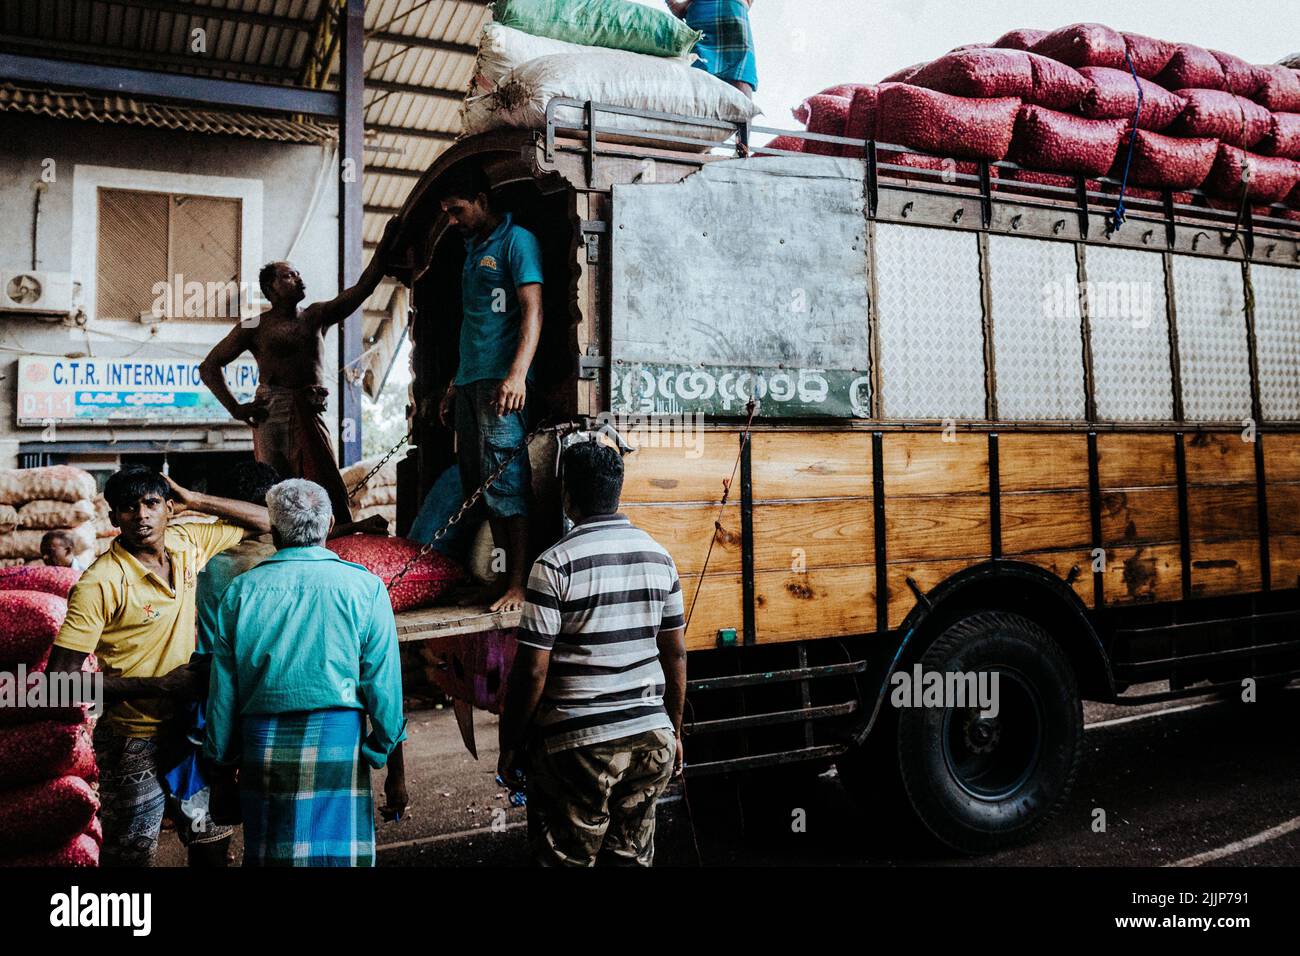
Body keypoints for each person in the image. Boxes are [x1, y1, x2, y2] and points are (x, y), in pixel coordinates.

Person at [44, 465, 272, 867]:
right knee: (131, 854)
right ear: (113, 517)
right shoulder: (100, 582)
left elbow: (267, 522)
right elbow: (58, 685)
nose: (142, 515)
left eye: (152, 503)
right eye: (128, 507)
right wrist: (158, 685)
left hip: (192, 733)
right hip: (133, 738)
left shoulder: (188, 541)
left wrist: (196, 500)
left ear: (170, 508)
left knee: (211, 840)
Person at [498, 440, 688, 867]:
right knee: (629, 859)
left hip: (579, 748)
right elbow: (675, 655)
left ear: (567, 496)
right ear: (617, 490)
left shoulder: (553, 565)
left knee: (566, 859)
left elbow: (531, 673)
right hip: (651, 738)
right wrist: (674, 733)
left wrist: (510, 746)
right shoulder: (660, 557)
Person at [203, 479, 408, 867]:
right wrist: (380, 749)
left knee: (272, 853)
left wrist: (222, 765)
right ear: (331, 525)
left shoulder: (241, 592)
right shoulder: (365, 588)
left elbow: (223, 693)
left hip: (261, 746)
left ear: (275, 532)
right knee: (337, 857)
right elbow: (384, 684)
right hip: (340, 742)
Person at [198, 218, 401, 526]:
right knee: (275, 488)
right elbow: (209, 366)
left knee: (324, 482)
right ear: (271, 288)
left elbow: (364, 287)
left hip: (310, 406)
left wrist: (386, 240)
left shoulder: (316, 315)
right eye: (288, 275)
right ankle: (276, 542)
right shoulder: (255, 324)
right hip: (271, 409)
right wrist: (236, 408)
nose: (298, 278)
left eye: (298, 273)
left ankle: (337, 536)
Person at [436, 164, 544, 613]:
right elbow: (474, 324)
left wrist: (517, 375)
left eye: (457, 211)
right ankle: (499, 578)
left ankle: (518, 584)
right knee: (478, 485)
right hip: (469, 382)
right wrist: (453, 384)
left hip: (503, 384)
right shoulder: (471, 248)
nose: (452, 220)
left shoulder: (517, 242)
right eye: (447, 213)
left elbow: (532, 310)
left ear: (481, 201)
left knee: (506, 482)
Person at [667, 0, 759, 97]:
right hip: (727, 10)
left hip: (709, 10)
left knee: (700, 81)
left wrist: (676, 4)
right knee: (738, 83)